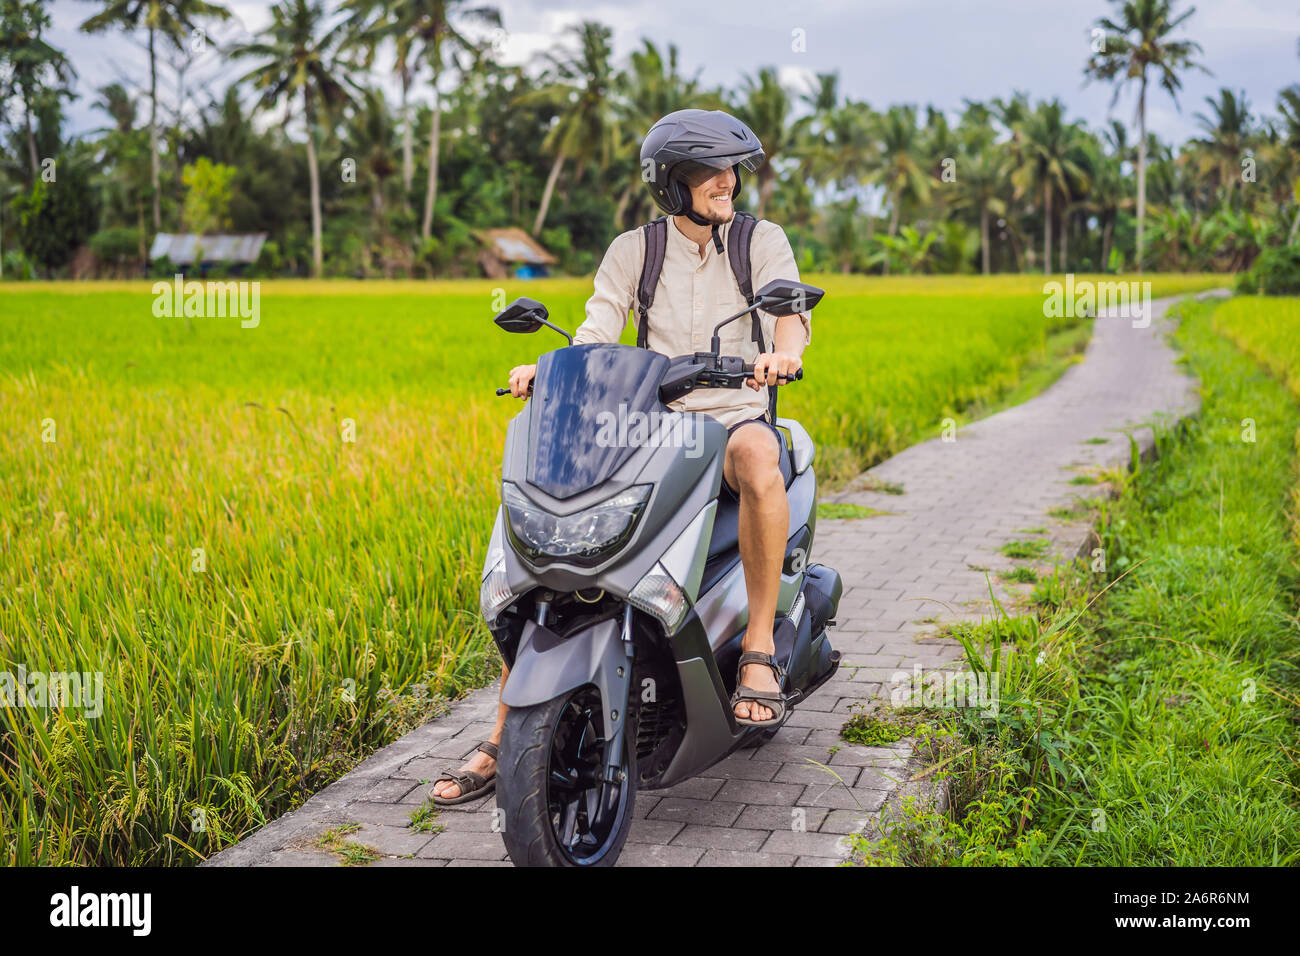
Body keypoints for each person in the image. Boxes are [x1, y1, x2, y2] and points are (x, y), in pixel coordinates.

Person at [431, 109, 811, 805]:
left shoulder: (762, 241)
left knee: (760, 457)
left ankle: (757, 652)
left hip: (731, 417)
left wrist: (782, 354)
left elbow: (788, 310)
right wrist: (547, 367)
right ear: (673, 183)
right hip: (647, 420)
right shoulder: (634, 250)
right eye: (711, 172)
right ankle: (508, 725)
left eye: (732, 168)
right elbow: (596, 329)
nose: (728, 182)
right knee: (565, 543)